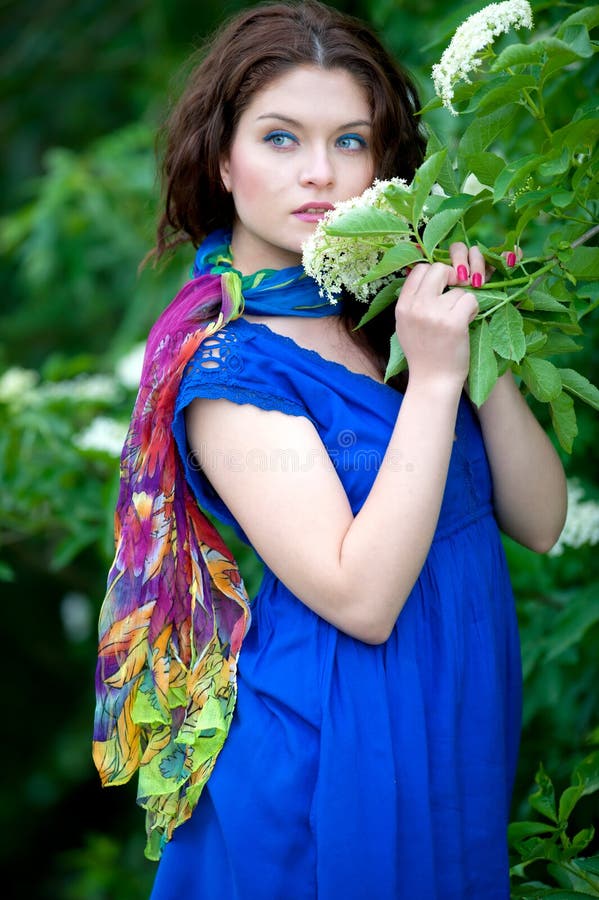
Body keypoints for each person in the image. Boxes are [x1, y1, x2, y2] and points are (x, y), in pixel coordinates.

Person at [92, 2, 568, 898]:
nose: (320, 173)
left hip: (452, 717)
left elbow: (540, 521)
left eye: (350, 140)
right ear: (222, 159)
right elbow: (361, 599)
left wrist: (477, 338)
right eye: (280, 139)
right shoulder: (230, 366)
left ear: (384, 161)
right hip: (335, 746)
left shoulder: (385, 313)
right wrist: (431, 382)